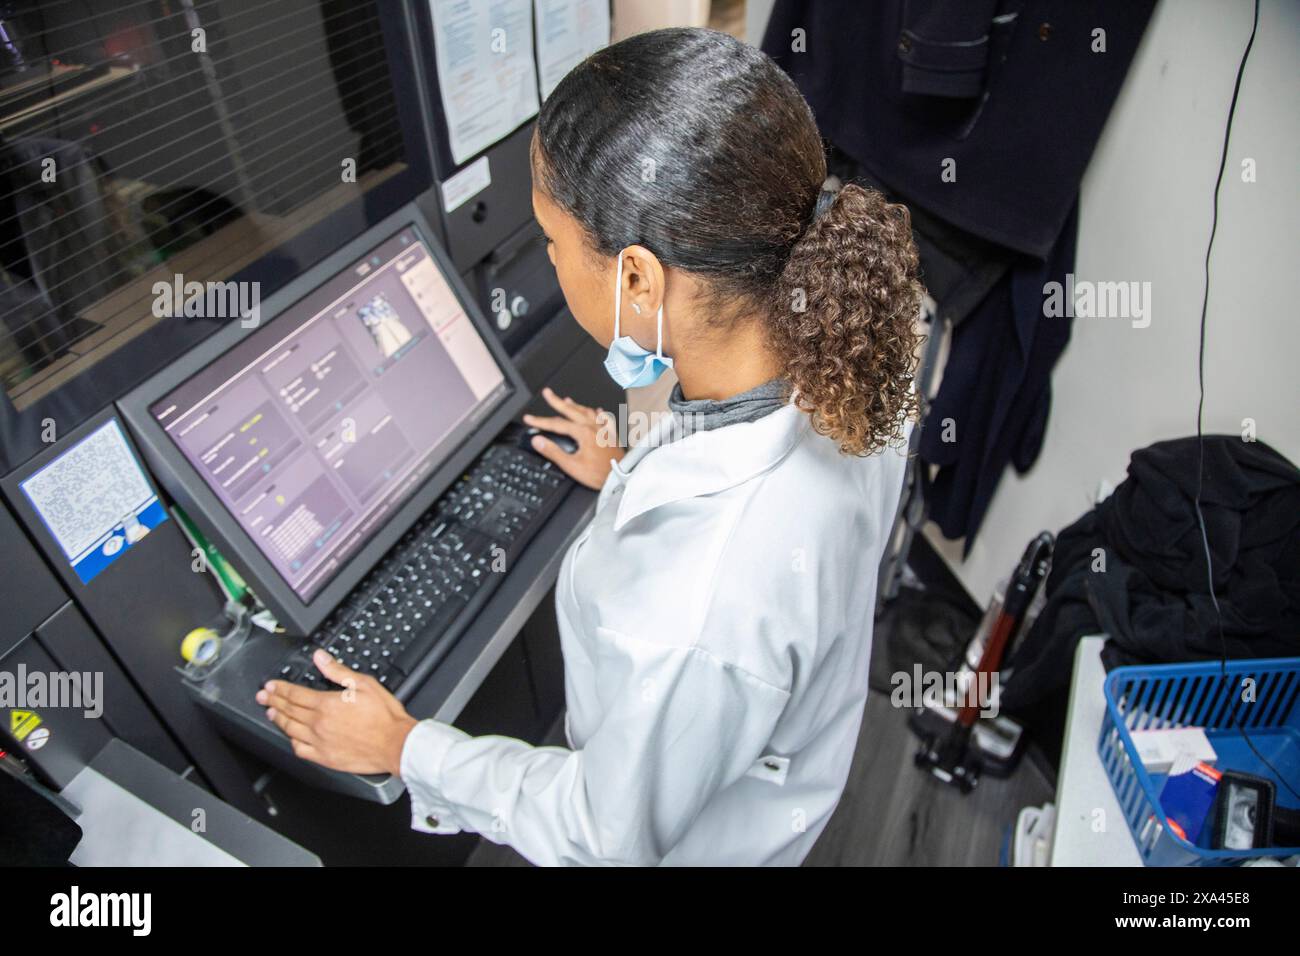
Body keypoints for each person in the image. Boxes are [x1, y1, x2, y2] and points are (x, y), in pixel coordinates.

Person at [257, 27, 922, 866]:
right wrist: (628, 473)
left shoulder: (708, 601)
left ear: (639, 278)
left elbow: (603, 832)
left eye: (552, 239)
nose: (547, 257)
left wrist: (404, 748)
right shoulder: (846, 361)